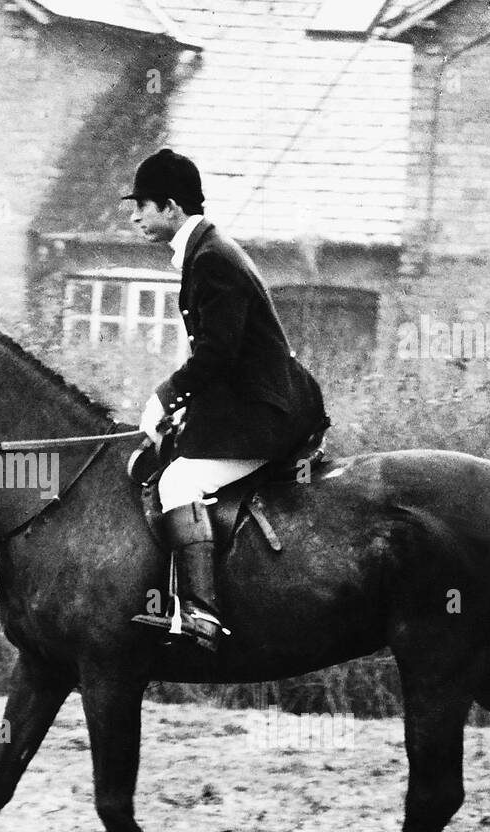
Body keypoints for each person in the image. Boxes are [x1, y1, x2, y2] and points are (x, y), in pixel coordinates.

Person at [123, 149, 327, 652]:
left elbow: (218, 354)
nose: (134, 216)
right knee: (163, 460)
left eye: (142, 206)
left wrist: (165, 397)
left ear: (170, 207)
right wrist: (184, 411)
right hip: (247, 405)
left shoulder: (212, 259)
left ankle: (202, 613)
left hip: (267, 416)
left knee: (179, 481)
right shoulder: (207, 251)